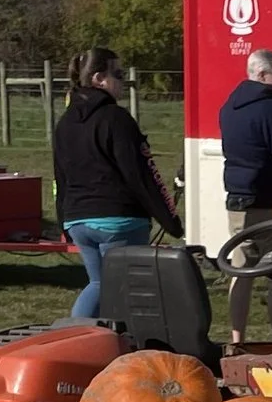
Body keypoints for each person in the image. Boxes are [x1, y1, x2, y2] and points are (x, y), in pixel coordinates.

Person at [52, 48, 181, 322]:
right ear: (99, 78)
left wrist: (63, 220)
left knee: (99, 285)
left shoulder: (65, 122)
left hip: (78, 219)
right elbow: (142, 174)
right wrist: (170, 221)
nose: (122, 81)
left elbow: (60, 176)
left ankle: (83, 341)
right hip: (118, 219)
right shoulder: (116, 119)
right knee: (125, 290)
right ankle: (91, 340)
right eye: (118, 74)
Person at [219, 44, 272, 232]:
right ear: (263, 75)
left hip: (236, 194)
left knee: (240, 251)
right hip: (265, 197)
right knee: (268, 256)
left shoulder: (229, 107)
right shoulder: (270, 109)